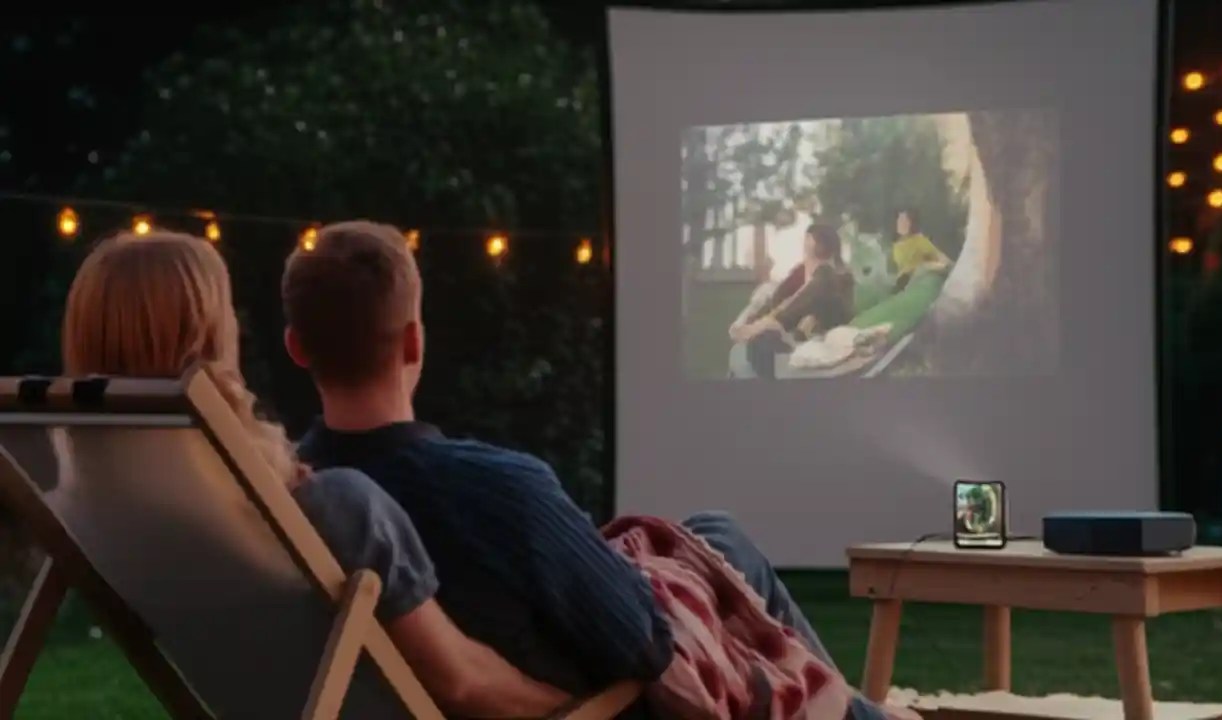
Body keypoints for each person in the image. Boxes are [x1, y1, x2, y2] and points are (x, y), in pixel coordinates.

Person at [283, 220, 916, 720]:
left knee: (714, 535)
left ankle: (853, 707)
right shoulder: (499, 490)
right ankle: (855, 714)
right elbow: (644, 639)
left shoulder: (294, 507)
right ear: (416, 341)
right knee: (718, 557)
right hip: (601, 696)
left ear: (296, 348)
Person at [58, 231, 570, 718]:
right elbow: (463, 683)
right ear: (208, 340)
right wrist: (577, 706)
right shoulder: (335, 507)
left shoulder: (100, 516)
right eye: (227, 312)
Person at [729, 223, 854, 379]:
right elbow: (778, 300)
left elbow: (793, 309)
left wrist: (756, 327)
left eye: (809, 238)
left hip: (815, 338)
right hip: (795, 333)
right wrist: (754, 321)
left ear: (813, 242)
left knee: (761, 343)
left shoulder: (829, 276)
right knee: (752, 346)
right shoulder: (802, 272)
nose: (804, 243)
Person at [890, 208, 951, 291]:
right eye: (900, 221)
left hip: (918, 279)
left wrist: (944, 265)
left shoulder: (919, 241)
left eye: (905, 221)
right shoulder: (896, 245)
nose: (902, 225)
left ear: (911, 224)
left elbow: (942, 258)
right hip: (903, 282)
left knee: (920, 269)